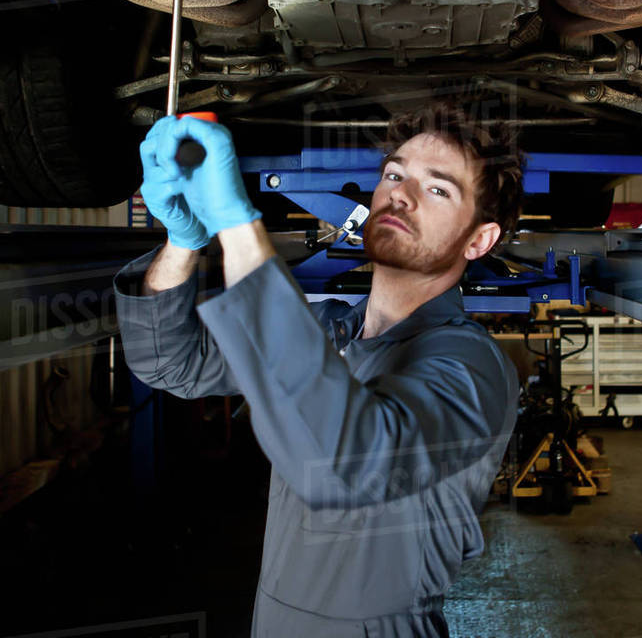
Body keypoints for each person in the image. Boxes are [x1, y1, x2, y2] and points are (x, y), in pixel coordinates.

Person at [114, 103, 523, 637]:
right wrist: (184, 241)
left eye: (438, 189)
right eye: (394, 174)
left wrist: (238, 223)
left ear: (479, 240)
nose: (399, 193)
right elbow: (171, 363)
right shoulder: (329, 331)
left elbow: (341, 464)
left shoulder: (471, 366)